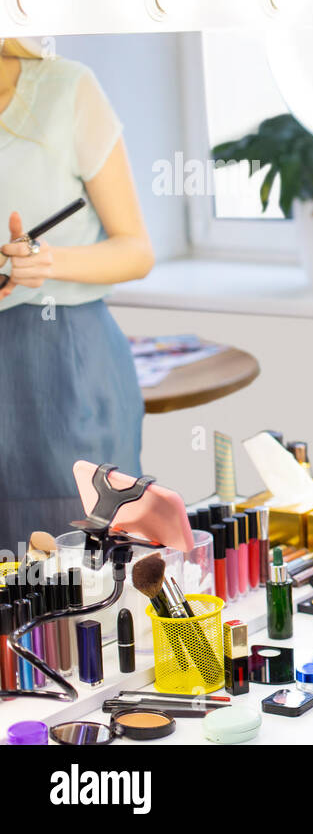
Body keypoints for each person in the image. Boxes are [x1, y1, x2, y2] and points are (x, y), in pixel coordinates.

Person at [0, 37, 154, 544]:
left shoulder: (66, 89)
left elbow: (136, 251)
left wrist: (46, 262)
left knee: (81, 566)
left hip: (62, 364)